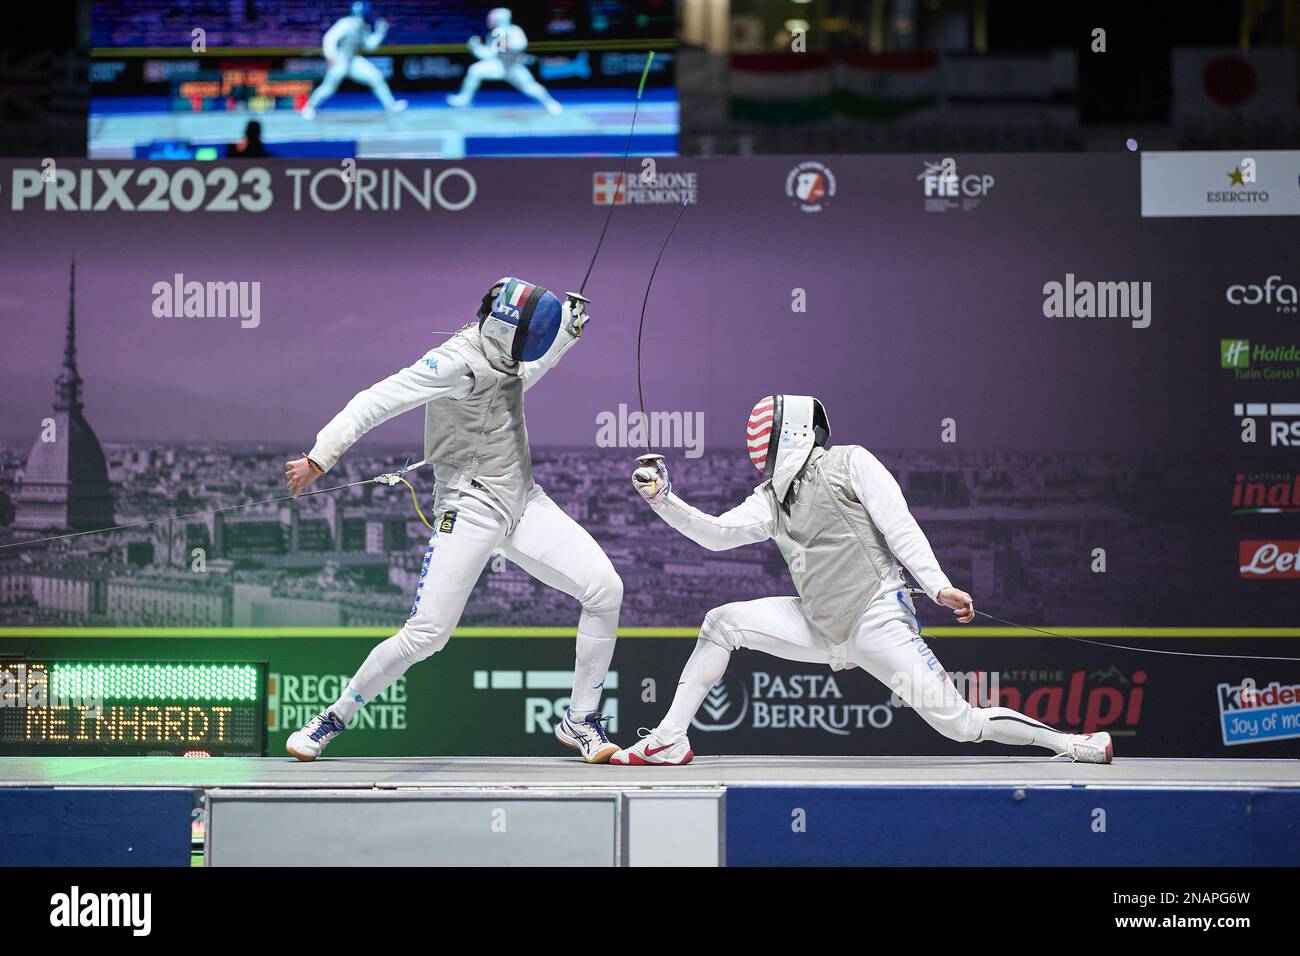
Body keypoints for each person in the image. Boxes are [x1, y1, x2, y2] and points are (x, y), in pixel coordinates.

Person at [610, 394, 1113, 766]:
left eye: (764, 439)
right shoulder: (770, 499)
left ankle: (1074, 743)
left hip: (877, 618)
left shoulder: (852, 462)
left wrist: (938, 585)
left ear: (787, 434)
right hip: (821, 625)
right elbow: (716, 536)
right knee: (722, 624)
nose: (757, 450)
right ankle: (671, 737)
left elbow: (901, 526)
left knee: (963, 725)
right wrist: (663, 499)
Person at [284, 279, 621, 763]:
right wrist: (321, 456)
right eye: (531, 340)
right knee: (428, 634)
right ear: (511, 334)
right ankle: (332, 717)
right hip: (470, 509)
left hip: (524, 502)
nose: (531, 350)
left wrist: (564, 332)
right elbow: (375, 400)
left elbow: (522, 373)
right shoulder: (454, 364)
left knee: (605, 590)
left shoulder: (503, 354)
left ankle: (579, 719)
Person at [301, 2, 408, 119]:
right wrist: (331, 56)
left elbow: (369, 46)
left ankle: (390, 106)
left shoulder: (364, 27)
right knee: (328, 88)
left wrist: (380, 32)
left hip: (353, 59)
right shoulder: (345, 23)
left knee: (376, 77)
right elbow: (330, 37)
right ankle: (308, 108)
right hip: (340, 58)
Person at [446, 7, 563, 115]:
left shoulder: (512, 30)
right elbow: (489, 55)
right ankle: (464, 99)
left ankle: (551, 103)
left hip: (513, 66)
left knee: (529, 87)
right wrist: (476, 48)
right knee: (475, 70)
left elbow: (520, 44)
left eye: (492, 18)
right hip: (499, 66)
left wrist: (507, 44)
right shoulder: (496, 34)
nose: (490, 20)